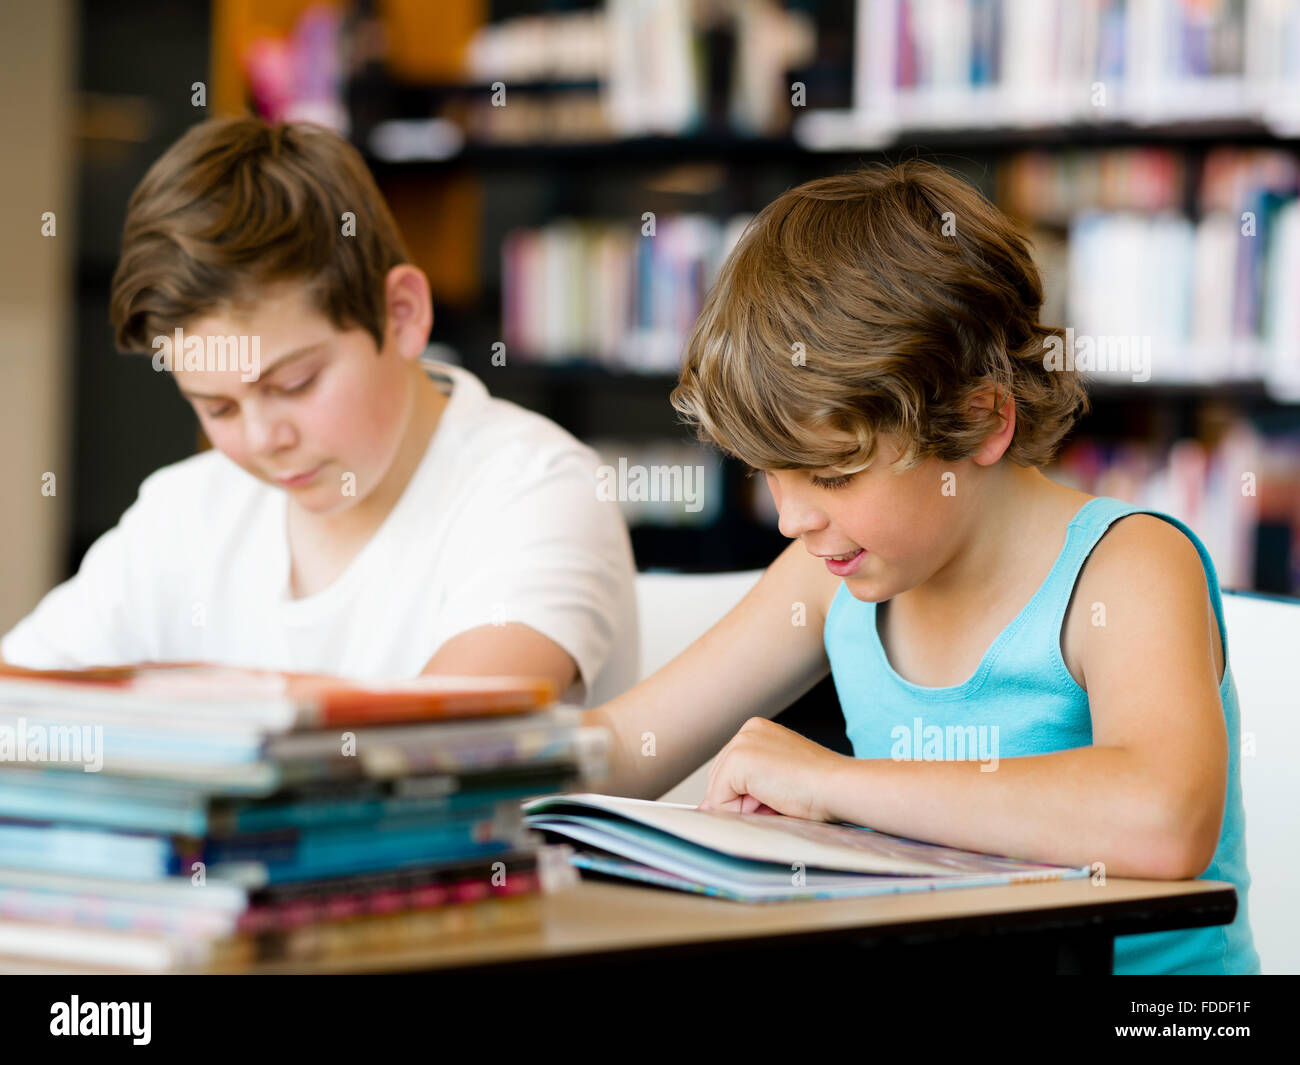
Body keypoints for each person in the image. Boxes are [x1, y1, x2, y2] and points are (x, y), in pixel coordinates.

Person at [585, 160, 1258, 975]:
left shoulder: (1129, 567)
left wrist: (835, 786)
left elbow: (1165, 817)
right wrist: (434, 782)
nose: (793, 518)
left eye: (833, 475)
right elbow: (626, 741)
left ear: (981, 421)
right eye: (771, 474)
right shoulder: (824, 572)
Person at [0, 117, 639, 708]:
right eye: (217, 407)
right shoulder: (183, 511)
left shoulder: (537, 491)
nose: (262, 440)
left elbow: (442, 756)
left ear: (402, 314)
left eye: (295, 383)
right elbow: (17, 704)